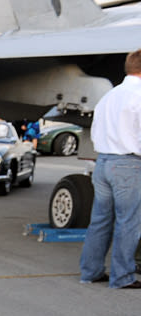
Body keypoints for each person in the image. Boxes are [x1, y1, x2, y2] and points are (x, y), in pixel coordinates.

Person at [80, 48, 141, 289]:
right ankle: (122, 277)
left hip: (103, 161)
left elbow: (95, 132)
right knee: (128, 222)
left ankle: (90, 272)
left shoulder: (109, 95)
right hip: (127, 164)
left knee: (100, 220)